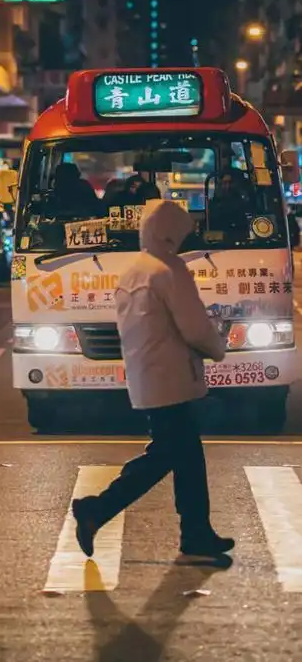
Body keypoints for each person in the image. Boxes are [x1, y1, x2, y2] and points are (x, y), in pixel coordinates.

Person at [72, 199, 235, 560]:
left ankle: (196, 532)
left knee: (185, 455)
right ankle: (98, 509)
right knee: (167, 454)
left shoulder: (134, 270)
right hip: (172, 375)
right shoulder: (169, 270)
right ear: (171, 234)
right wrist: (217, 348)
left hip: (147, 374)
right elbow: (195, 327)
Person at [208, 169, 250, 238]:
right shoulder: (213, 205)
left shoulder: (247, 204)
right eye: (225, 183)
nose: (228, 187)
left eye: (231, 183)